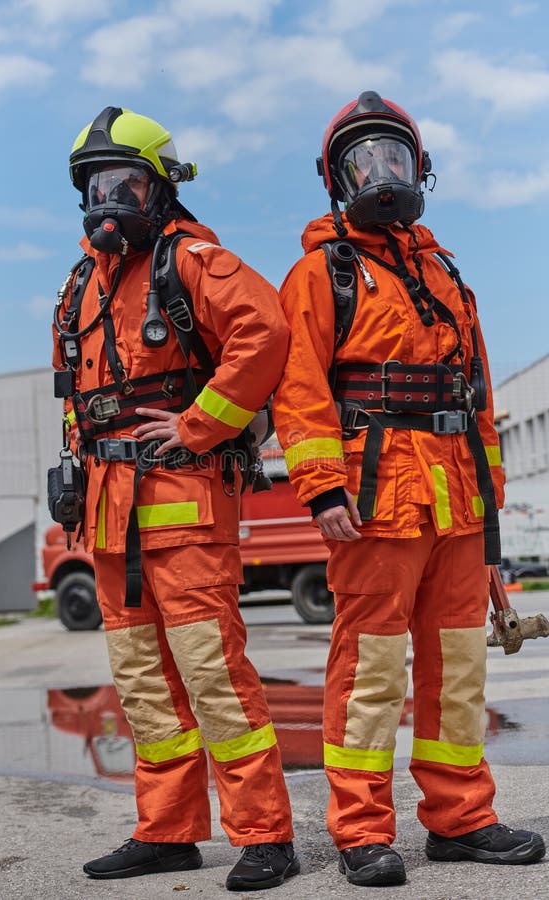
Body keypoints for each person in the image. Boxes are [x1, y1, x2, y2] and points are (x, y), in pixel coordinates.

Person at [272, 91, 546, 887]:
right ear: (337, 179)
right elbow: (299, 389)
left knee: (459, 668)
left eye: (393, 156)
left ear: (419, 168)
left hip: (458, 500)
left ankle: (461, 820)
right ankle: (361, 830)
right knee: (372, 672)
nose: (381, 172)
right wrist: (322, 488)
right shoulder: (321, 273)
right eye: (364, 161)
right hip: (375, 501)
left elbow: (478, 398)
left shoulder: (445, 273)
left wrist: (491, 499)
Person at [51, 106, 299, 892]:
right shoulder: (80, 284)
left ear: (160, 188)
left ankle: (265, 836)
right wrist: (75, 470)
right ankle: (167, 831)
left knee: (211, 673)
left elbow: (266, 334)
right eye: (95, 184)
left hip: (183, 506)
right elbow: (78, 395)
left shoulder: (191, 261)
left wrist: (198, 425)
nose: (107, 199)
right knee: (142, 684)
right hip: (107, 515)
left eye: (123, 181)